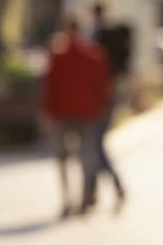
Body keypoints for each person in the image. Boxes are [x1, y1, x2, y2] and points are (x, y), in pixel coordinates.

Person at [42, 17, 112, 215]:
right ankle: (81, 197)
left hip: (67, 114)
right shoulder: (91, 55)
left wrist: (47, 114)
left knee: (67, 158)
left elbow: (49, 87)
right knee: (84, 157)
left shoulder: (60, 55)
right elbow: (103, 87)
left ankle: (71, 199)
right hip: (84, 113)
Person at [90, 2, 127, 207]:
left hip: (100, 100)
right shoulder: (110, 36)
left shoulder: (98, 39)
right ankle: (93, 191)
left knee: (95, 146)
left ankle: (113, 184)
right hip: (107, 97)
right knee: (94, 146)